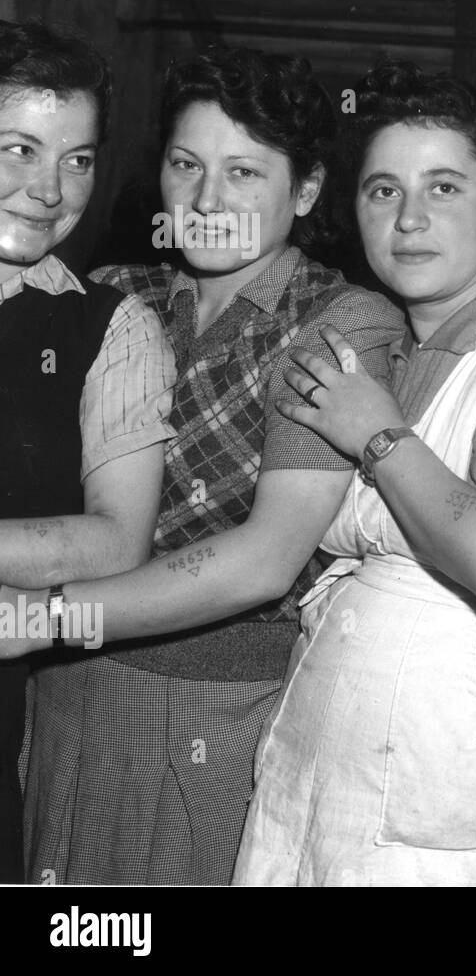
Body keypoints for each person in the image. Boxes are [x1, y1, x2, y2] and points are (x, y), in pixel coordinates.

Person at [14, 45, 404, 885]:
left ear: (303, 192)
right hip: (64, 704)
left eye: (244, 174)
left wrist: (36, 619)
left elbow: (264, 560)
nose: (206, 200)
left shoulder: (341, 320)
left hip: (220, 714)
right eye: (185, 165)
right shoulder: (118, 295)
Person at [232, 61, 476, 886]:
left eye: (444, 188)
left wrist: (377, 433)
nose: (409, 218)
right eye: (382, 191)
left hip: (455, 795)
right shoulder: (382, 346)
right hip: (332, 776)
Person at [0, 21, 174, 882]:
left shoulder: (108, 328)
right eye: (19, 149)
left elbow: (117, 540)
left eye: (76, 158)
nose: (46, 188)